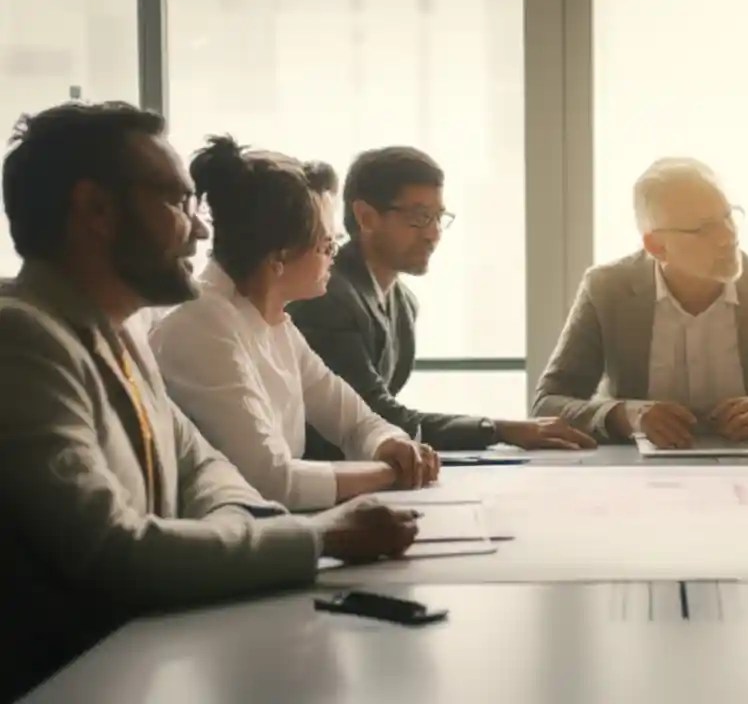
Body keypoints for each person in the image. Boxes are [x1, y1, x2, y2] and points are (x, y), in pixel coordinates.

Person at [0, 102, 416, 700]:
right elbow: (114, 550)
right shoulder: (23, 339)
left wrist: (243, 525)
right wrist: (323, 537)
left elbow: (205, 468)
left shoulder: (120, 334)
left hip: (137, 664)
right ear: (95, 211)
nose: (199, 229)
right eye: (176, 202)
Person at [150, 136, 438, 512]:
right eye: (326, 246)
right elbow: (270, 481)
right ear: (280, 258)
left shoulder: (274, 324)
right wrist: (389, 474)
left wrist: (388, 444)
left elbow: (354, 421)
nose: (334, 258)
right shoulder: (203, 325)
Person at [532, 157, 748, 449]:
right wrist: (628, 416)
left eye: (728, 216)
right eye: (705, 229)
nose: (728, 236)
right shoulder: (607, 289)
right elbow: (547, 404)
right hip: (636, 480)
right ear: (656, 247)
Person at [287, 147, 595, 456]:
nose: (433, 234)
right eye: (419, 217)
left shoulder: (403, 303)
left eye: (438, 217)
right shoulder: (326, 298)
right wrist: (500, 430)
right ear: (366, 217)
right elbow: (376, 416)